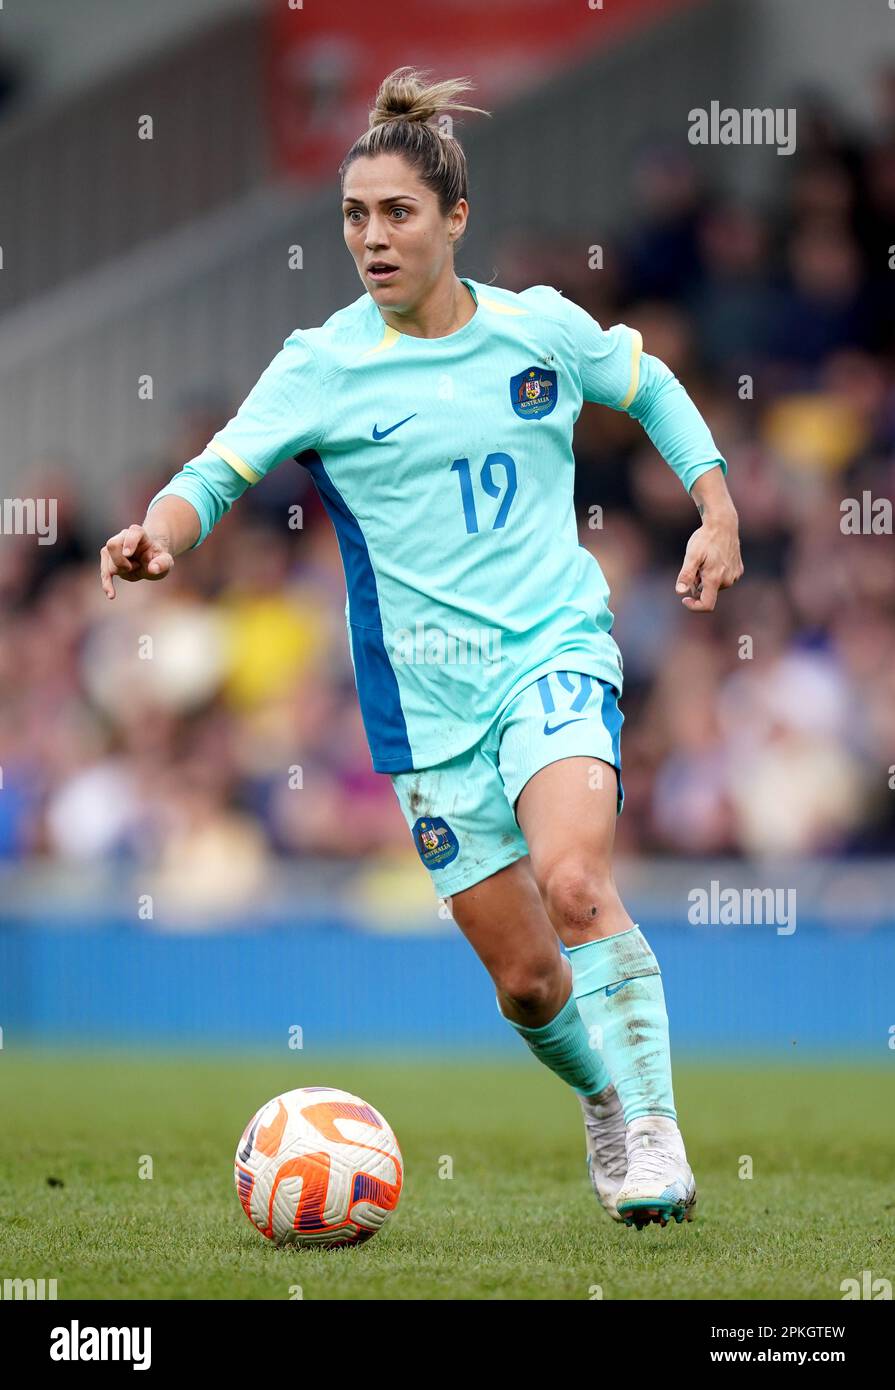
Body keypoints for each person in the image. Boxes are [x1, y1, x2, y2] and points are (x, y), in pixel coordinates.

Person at [100, 66, 743, 1229]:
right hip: (427, 713)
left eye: (396, 212)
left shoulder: (536, 327)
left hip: (551, 651)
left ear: (454, 217)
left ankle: (653, 1130)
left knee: (576, 879)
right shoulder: (321, 364)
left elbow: (646, 389)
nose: (371, 237)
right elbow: (215, 472)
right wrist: (159, 535)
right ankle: (602, 1096)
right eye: (354, 215)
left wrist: (716, 504)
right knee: (527, 979)